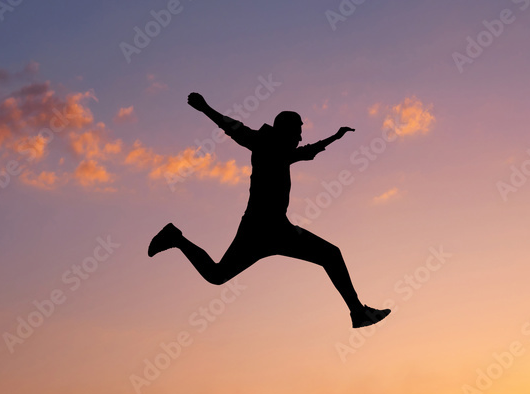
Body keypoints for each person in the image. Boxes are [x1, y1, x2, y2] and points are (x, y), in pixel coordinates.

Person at [148, 92, 391, 328]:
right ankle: (176, 239)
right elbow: (232, 127)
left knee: (330, 255)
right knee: (218, 275)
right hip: (259, 230)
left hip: (278, 230)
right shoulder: (262, 143)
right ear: (285, 130)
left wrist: (335, 137)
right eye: (298, 131)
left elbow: (307, 152)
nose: (299, 137)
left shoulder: (283, 152)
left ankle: (358, 313)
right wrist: (205, 108)